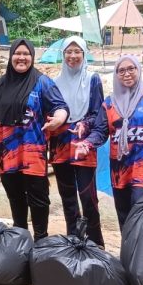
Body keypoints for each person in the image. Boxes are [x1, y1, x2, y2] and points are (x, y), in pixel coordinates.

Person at [75, 55, 143, 233]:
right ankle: (127, 249)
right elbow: (100, 131)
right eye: (121, 70)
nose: (126, 74)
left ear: (138, 70)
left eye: (131, 68)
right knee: (124, 215)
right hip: (119, 169)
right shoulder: (109, 103)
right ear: (116, 74)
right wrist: (87, 143)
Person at [0, 38, 68, 241]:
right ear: (11, 56)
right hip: (7, 153)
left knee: (38, 197)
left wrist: (58, 119)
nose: (21, 57)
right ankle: (20, 237)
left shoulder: (42, 82)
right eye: (18, 53)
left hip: (33, 152)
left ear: (32, 57)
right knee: (15, 197)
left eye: (26, 54)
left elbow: (60, 106)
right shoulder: (0, 85)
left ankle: (41, 239)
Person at [49, 37, 105, 246]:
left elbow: (98, 113)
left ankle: (96, 243)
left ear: (84, 54)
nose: (72, 56)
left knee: (87, 195)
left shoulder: (92, 79)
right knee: (67, 195)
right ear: (63, 55)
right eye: (68, 52)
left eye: (77, 51)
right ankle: (73, 240)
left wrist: (85, 124)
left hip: (83, 141)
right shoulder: (54, 82)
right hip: (60, 141)